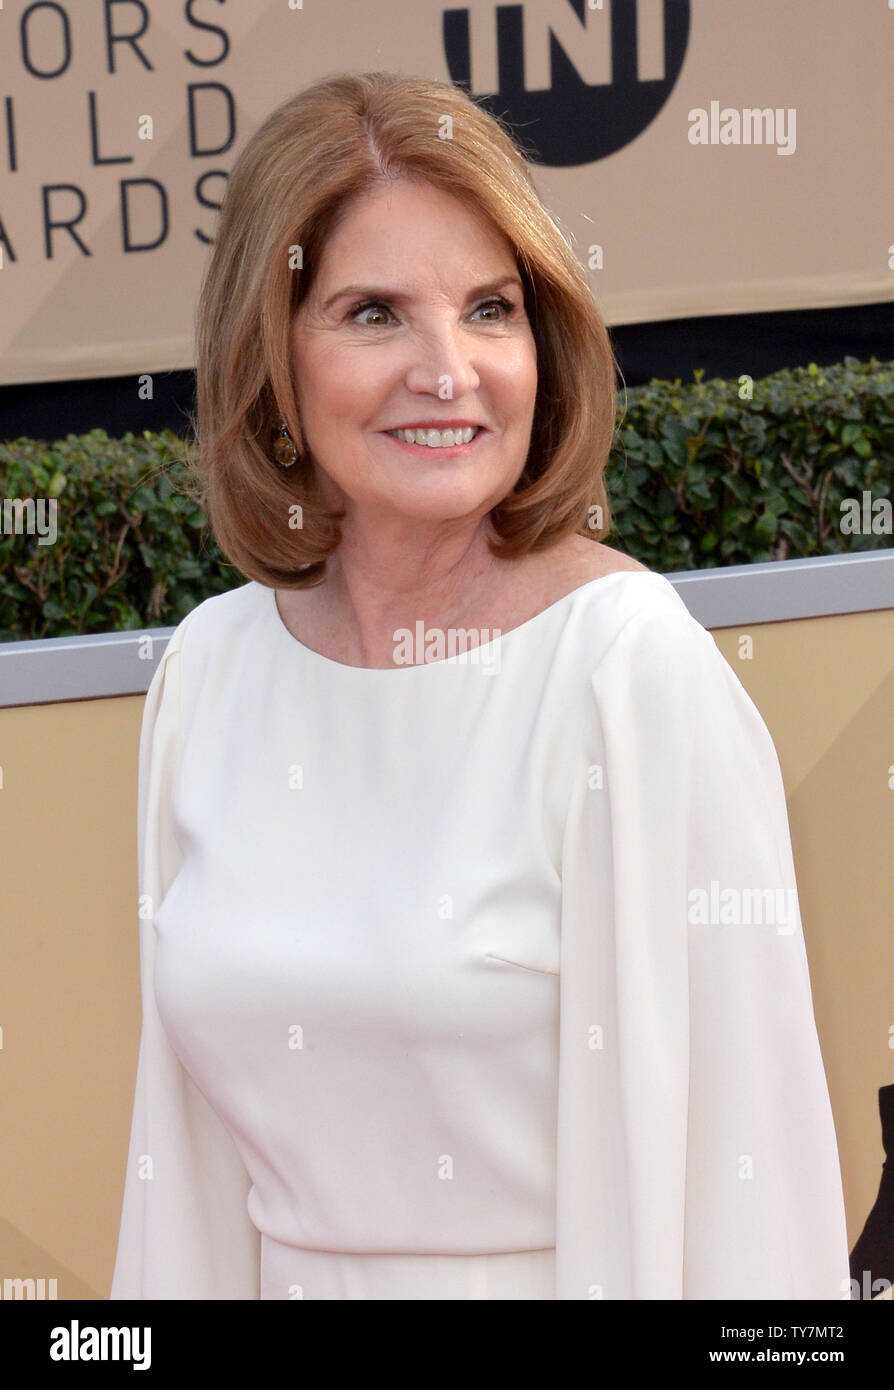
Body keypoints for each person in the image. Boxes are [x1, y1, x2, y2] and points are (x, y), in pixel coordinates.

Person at [109, 71, 850, 1300]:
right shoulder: (208, 672)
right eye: (374, 313)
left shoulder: (628, 673)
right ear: (272, 353)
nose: (448, 370)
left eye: (489, 310)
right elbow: (177, 1173)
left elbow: (750, 1185)